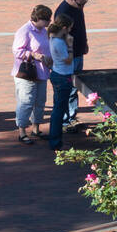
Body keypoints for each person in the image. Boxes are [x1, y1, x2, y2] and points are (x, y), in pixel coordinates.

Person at [12, 4, 54, 143]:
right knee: (26, 102)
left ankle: (36, 128)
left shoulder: (43, 30)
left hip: (42, 72)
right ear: (39, 19)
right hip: (27, 73)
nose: (49, 22)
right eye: (47, 19)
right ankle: (22, 131)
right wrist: (34, 55)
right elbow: (17, 51)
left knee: (40, 101)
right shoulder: (24, 31)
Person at [53, 0, 88, 130]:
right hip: (69, 56)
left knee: (75, 86)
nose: (82, 6)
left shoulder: (78, 6)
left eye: (85, 2)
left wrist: (85, 42)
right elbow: (58, 36)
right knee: (67, 87)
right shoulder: (63, 12)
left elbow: (81, 26)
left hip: (78, 52)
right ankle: (64, 120)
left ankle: (71, 117)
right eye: (80, 4)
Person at [46, 16, 77, 151]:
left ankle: (54, 137)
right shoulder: (59, 42)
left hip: (57, 74)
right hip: (63, 77)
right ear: (64, 28)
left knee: (57, 108)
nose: (70, 30)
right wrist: (70, 46)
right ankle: (55, 141)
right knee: (59, 109)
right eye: (69, 28)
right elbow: (68, 60)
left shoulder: (53, 38)